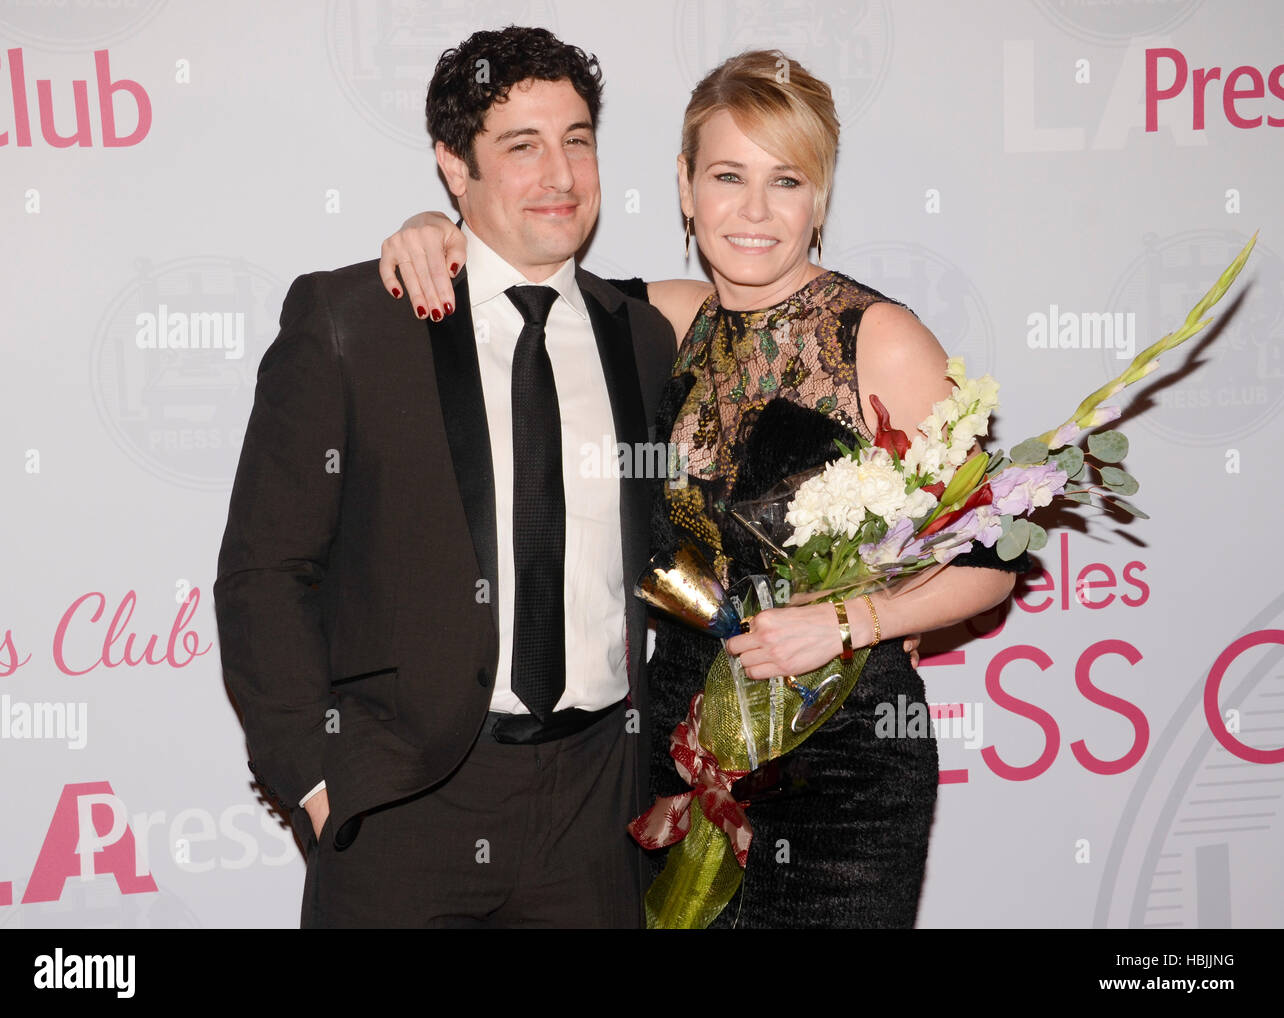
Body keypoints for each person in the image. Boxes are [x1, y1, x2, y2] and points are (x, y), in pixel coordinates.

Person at [378, 50, 1022, 928]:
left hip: (838, 772)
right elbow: (518, 271)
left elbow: (989, 563)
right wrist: (434, 224)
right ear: (684, 187)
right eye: (727, 175)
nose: (755, 211)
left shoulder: (882, 340)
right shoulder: (667, 319)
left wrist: (844, 623)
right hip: (679, 753)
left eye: (786, 180)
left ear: (819, 198)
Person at [213, 26, 676, 928]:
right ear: (452, 167)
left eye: (578, 140)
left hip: (595, 808)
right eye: (521, 146)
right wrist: (317, 780)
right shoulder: (355, 322)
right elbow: (264, 572)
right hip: (406, 805)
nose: (562, 175)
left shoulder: (642, 336)